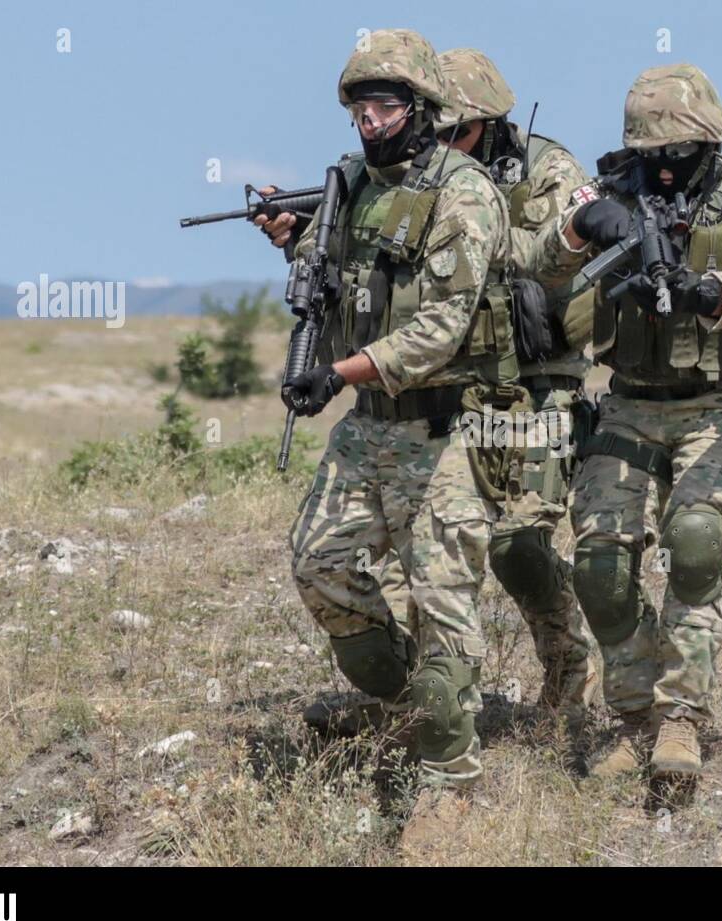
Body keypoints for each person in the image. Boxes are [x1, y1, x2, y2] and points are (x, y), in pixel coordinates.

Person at [275, 28, 516, 842]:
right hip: (369, 427)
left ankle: (450, 783)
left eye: (384, 105)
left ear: (421, 108)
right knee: (320, 567)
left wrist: (337, 374)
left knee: (443, 603)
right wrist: (289, 241)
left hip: (449, 428)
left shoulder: (467, 192)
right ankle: (402, 706)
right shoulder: (347, 184)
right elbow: (331, 272)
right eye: (358, 108)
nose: (369, 122)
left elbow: (444, 328)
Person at [527, 63, 722, 788]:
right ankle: (632, 717)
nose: (667, 170)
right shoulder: (614, 189)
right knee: (601, 568)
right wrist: (583, 225)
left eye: (680, 155)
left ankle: (683, 717)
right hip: (629, 400)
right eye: (653, 156)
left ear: (710, 143)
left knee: (697, 538)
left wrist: (710, 289)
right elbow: (533, 262)